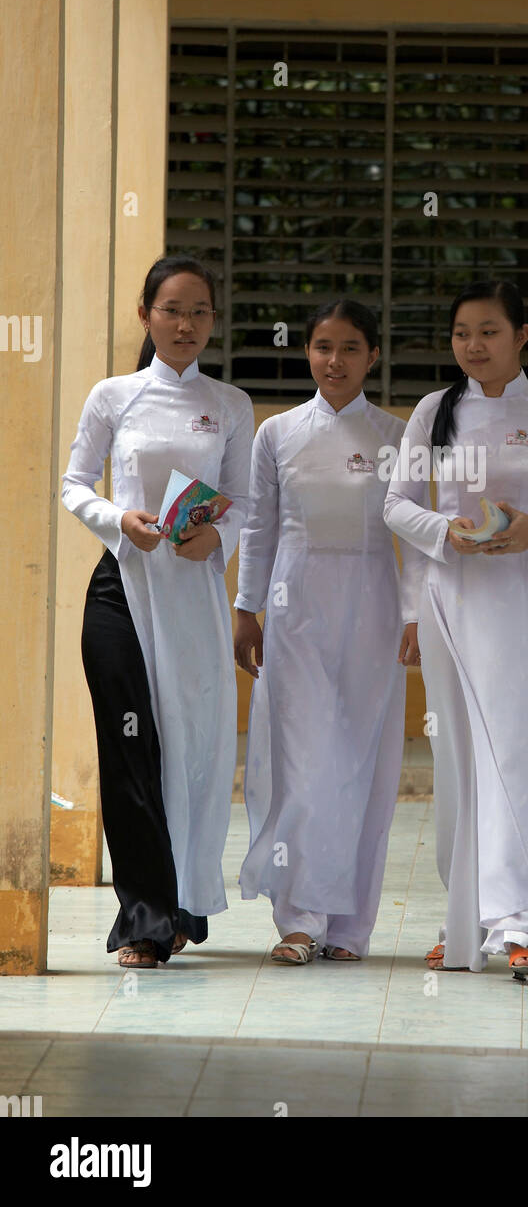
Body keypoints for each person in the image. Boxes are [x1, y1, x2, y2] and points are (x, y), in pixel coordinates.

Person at [383, 280, 528, 980]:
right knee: (460, 766)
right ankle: (468, 918)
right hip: (454, 602)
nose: (474, 346)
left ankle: (527, 927)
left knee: (526, 761)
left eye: (489, 332)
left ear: (523, 336)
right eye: (462, 334)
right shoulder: (431, 412)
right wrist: (447, 533)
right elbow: (397, 507)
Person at [62, 257, 254, 968]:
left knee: (193, 750)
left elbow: (248, 503)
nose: (184, 324)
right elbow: (74, 482)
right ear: (146, 313)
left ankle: (182, 904)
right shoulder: (114, 396)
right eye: (171, 309)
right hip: (122, 590)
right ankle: (143, 917)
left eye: (199, 311)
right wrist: (120, 520)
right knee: (130, 748)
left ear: (213, 320)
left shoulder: (230, 405)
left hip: (194, 598)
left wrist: (220, 536)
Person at [234, 300, 425, 966]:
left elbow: (416, 539)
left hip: (374, 603)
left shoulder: (398, 437)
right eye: (321, 347)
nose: (334, 361)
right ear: (307, 352)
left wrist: (415, 615)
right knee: (305, 762)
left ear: (373, 355)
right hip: (295, 607)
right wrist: (245, 607)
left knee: (366, 763)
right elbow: (257, 528)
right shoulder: (277, 434)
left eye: (349, 348)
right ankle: (300, 918)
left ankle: (348, 927)